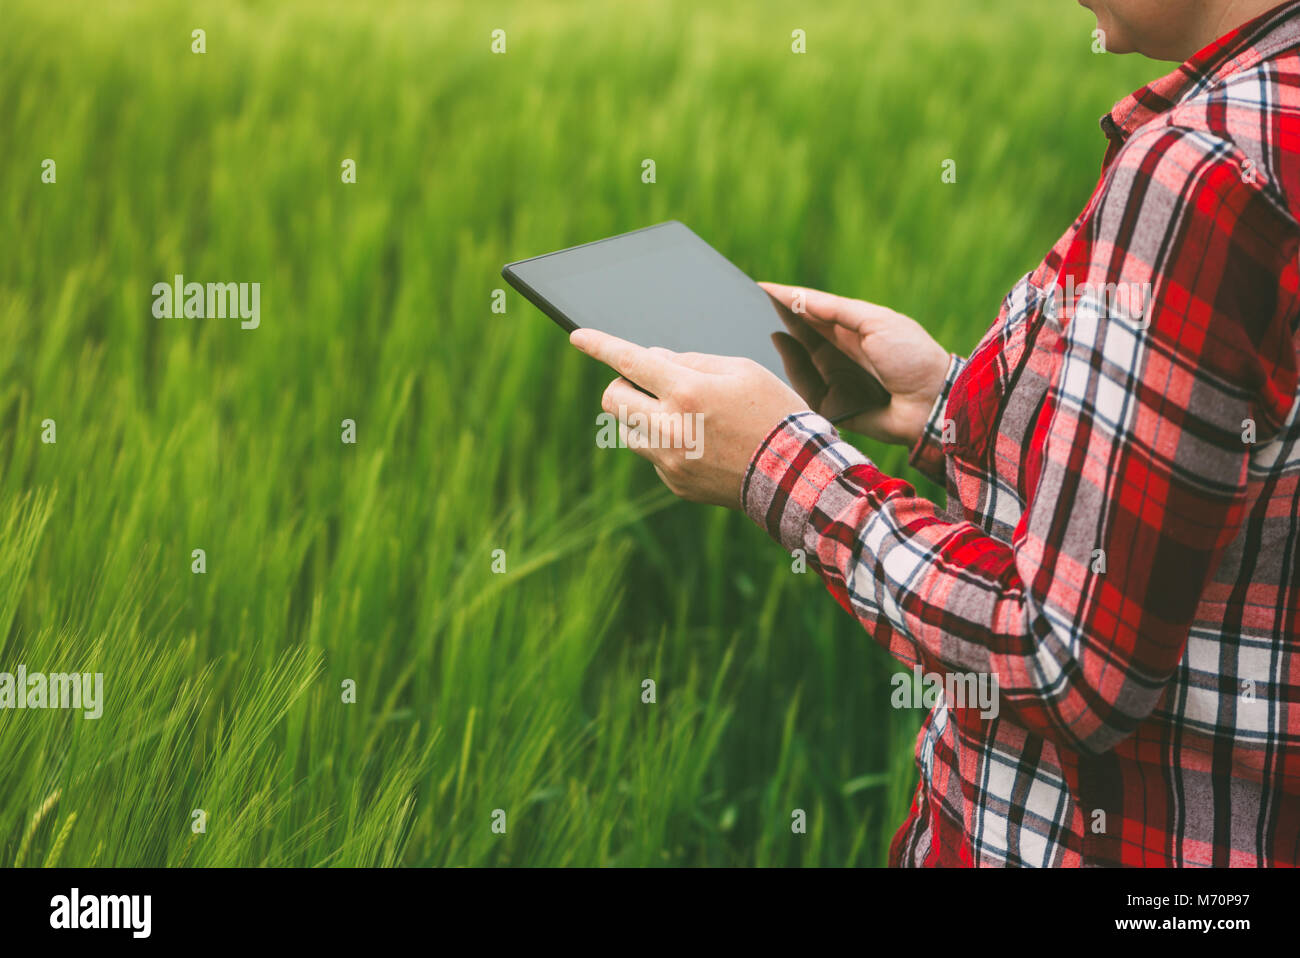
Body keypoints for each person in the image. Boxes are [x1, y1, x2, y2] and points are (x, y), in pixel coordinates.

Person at [569, 0, 1300, 866]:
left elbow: (1063, 661)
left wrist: (780, 466)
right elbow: (1240, 489)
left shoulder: (1202, 168)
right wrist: (953, 401)